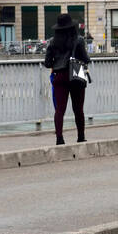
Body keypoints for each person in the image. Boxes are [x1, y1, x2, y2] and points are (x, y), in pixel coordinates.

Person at [41, 14, 90, 145]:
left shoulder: (52, 41)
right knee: (78, 109)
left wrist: (57, 62)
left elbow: (47, 63)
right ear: (72, 27)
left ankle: (59, 138)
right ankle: (80, 136)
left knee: (60, 109)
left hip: (60, 76)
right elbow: (86, 59)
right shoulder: (79, 40)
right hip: (76, 74)